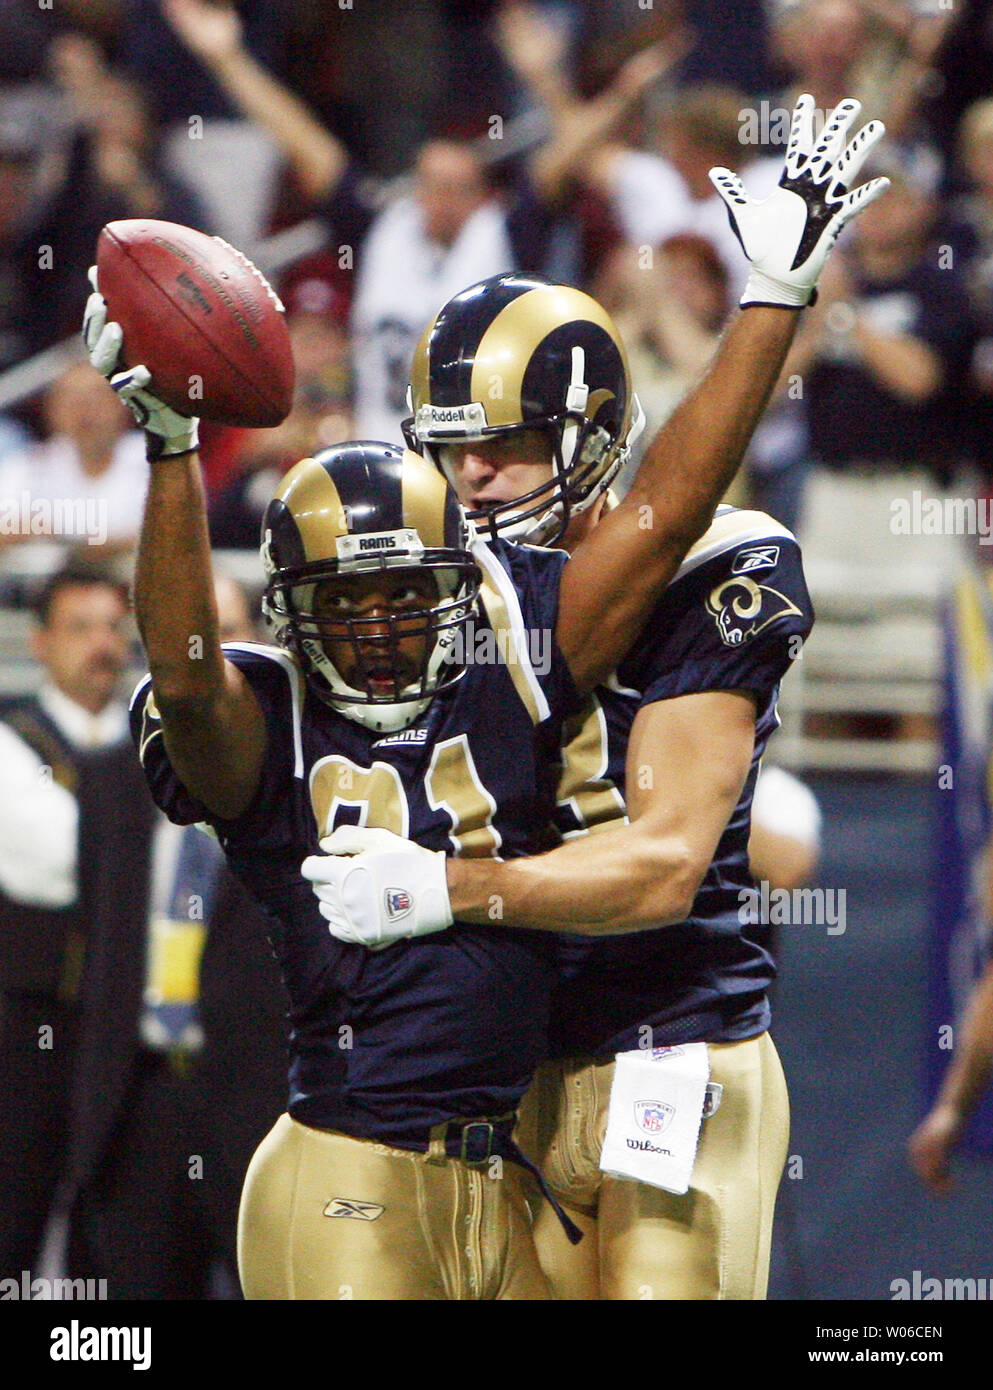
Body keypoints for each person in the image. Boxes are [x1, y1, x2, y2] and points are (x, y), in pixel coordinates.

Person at [86, 90, 885, 1299]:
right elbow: (199, 690)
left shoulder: (710, 569)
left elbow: (663, 861)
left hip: (666, 1041)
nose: (476, 477)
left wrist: (770, 302)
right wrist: (172, 450)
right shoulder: (441, 586)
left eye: (506, 446)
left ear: (594, 433)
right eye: (450, 448)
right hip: (490, 1089)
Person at [0, 561, 150, 1281]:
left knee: (122, 1227)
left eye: (113, 628)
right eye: (80, 628)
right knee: (14, 1219)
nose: (101, 645)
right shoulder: (13, 744)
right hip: (30, 1037)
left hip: (124, 1038)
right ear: (40, 642)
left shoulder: (145, 746)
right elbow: (57, 861)